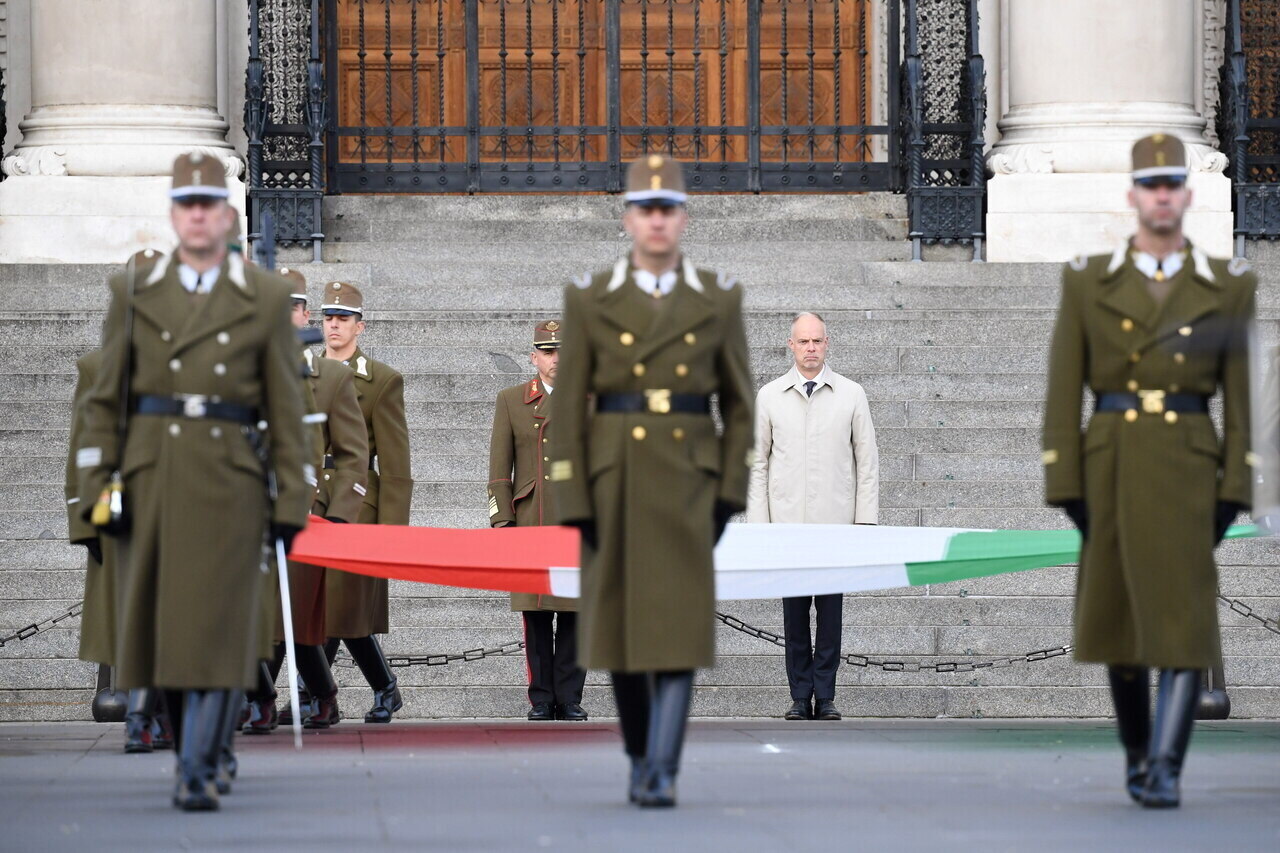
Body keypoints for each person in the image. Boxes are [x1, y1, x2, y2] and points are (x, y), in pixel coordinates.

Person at [74, 152, 311, 810]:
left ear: (228, 214)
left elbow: (285, 409)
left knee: (218, 624)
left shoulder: (261, 298)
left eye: (209, 202)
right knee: (168, 630)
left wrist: (290, 497)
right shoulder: (137, 293)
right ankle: (192, 748)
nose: (199, 213)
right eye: (187, 203)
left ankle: (200, 761)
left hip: (229, 473)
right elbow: (105, 402)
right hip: (154, 472)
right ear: (176, 214)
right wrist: (100, 488)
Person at [1041, 133, 1256, 809]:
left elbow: (1244, 399)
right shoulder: (1088, 281)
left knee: (1187, 622)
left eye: (1172, 185)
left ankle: (1165, 765)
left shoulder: (1227, 287)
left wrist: (1235, 487)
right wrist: (1066, 483)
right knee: (1121, 627)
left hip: (1191, 462)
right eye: (1151, 186)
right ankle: (1137, 750)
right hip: (1112, 460)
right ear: (1134, 196)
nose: (1162, 196)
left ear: (1186, 196)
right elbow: (1062, 388)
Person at [549, 154, 754, 807]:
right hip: (616, 478)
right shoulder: (591, 297)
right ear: (627, 218)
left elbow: (741, 405)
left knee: (678, 628)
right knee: (623, 635)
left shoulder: (716, 299)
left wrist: (730, 490)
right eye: (646, 208)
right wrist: (573, 496)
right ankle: (640, 750)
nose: (657, 220)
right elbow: (569, 405)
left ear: (684, 217)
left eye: (667, 209)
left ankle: (662, 764)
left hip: (688, 478)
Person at [242, 267, 368, 733]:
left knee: (291, 617)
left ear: (304, 314)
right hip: (245, 510)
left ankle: (322, 693)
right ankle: (259, 696)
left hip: (305, 513)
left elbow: (355, 456)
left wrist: (337, 517)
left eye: (290, 307)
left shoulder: (330, 376)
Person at [747, 312, 879, 722]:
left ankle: (826, 695)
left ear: (827, 343)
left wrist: (864, 522)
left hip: (835, 526)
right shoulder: (770, 395)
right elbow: (758, 463)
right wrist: (759, 526)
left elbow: (867, 461)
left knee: (830, 616)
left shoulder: (851, 394)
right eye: (803, 341)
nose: (810, 348)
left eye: (816, 341)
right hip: (787, 527)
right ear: (791, 345)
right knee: (794, 616)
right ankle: (799, 696)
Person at [68, 250, 174, 754]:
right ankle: (131, 703)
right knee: (125, 604)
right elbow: (83, 446)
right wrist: (85, 516)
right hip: (120, 503)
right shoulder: (97, 367)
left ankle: (162, 708)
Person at [321, 281, 413, 723]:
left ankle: (317, 694)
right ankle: (380, 688)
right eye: (328, 318)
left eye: (343, 318)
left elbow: (394, 463)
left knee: (342, 604)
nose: (334, 325)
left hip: (358, 504)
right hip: (310, 501)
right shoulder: (301, 372)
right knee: (313, 605)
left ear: (360, 326)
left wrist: (393, 534)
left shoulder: (380, 380)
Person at [488, 320, 588, 722]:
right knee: (535, 615)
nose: (556, 359)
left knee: (575, 614)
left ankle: (571, 697)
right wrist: (503, 523)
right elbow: (499, 469)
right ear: (534, 357)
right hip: (531, 520)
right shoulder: (512, 400)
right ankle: (541, 698)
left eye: (563, 351)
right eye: (548, 352)